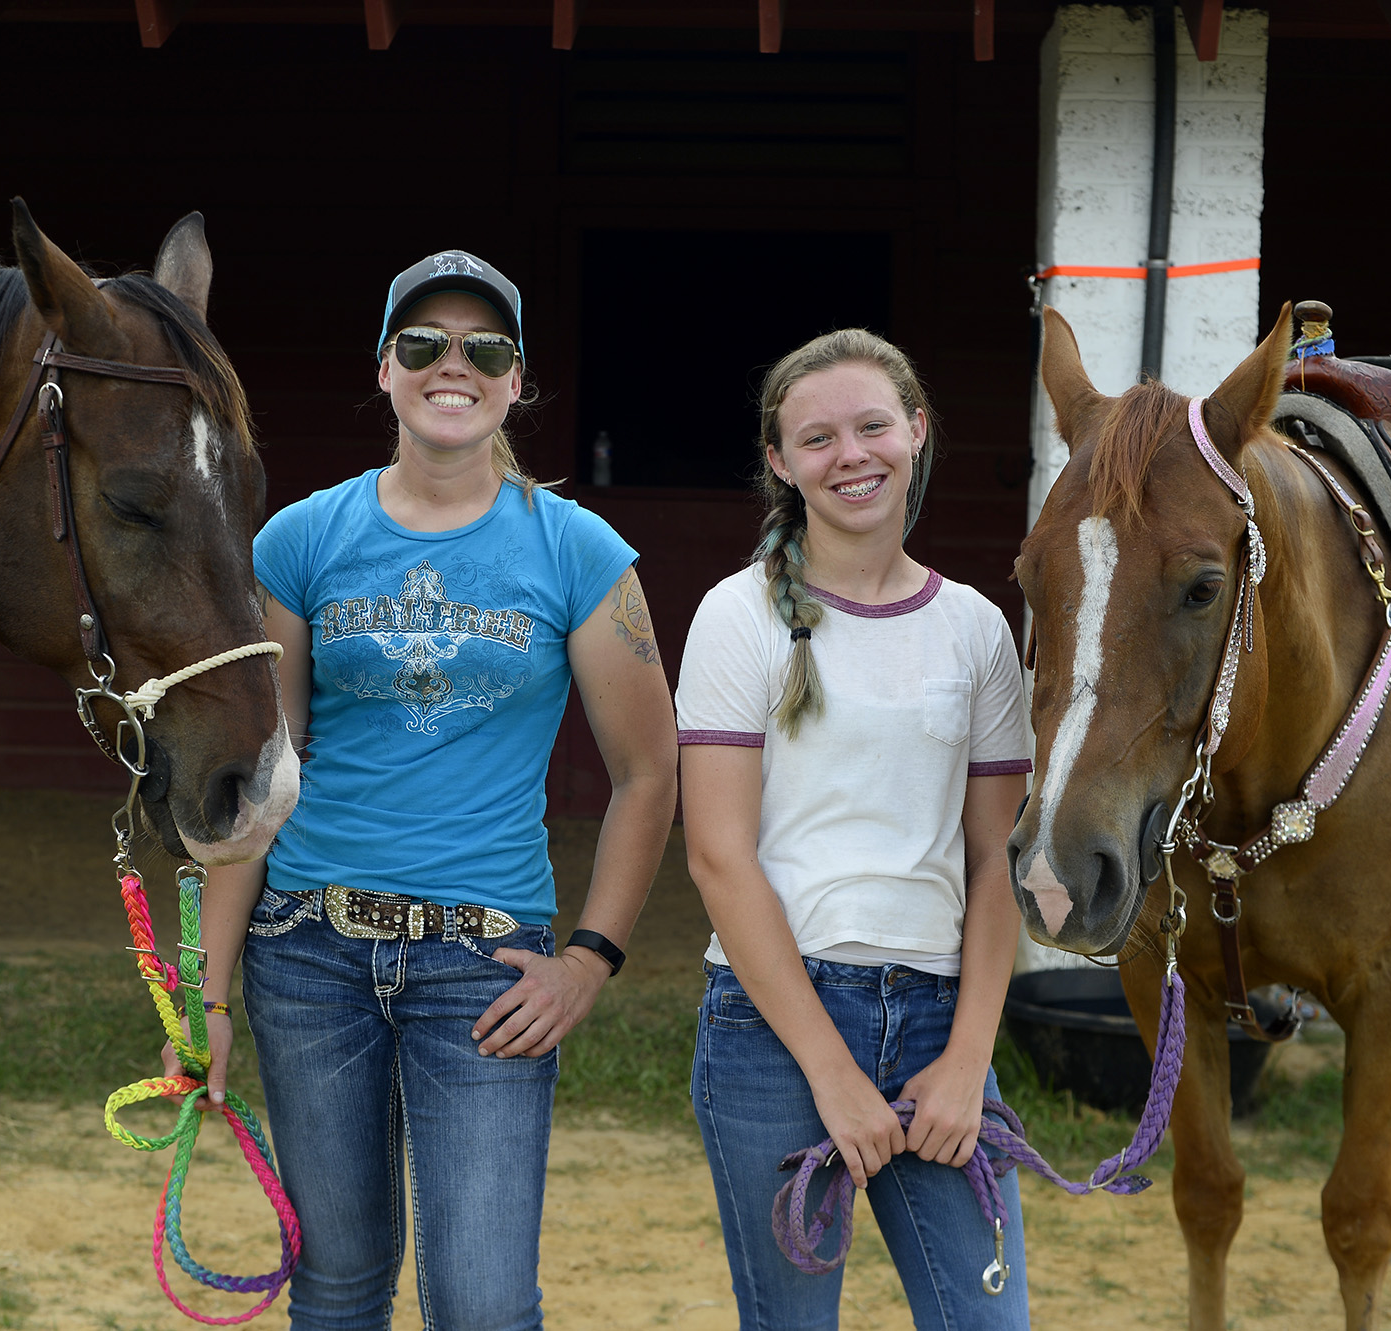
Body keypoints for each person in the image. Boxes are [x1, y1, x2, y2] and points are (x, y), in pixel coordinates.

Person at [184, 250, 678, 1331]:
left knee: (484, 1302)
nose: (451, 365)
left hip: (485, 968)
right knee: (338, 1283)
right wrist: (207, 994)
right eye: (423, 345)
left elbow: (648, 773)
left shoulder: (575, 549)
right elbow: (255, 775)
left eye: (482, 349)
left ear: (514, 381)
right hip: (307, 951)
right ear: (385, 369)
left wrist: (588, 962)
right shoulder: (302, 538)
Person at [674, 329, 1032, 1329]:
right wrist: (830, 1072)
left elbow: (992, 861)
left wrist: (967, 1059)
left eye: (872, 425)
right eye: (818, 437)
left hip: (938, 1019)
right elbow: (717, 853)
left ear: (915, 432)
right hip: (772, 1031)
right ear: (780, 463)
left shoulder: (973, 627)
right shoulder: (734, 616)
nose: (851, 455)